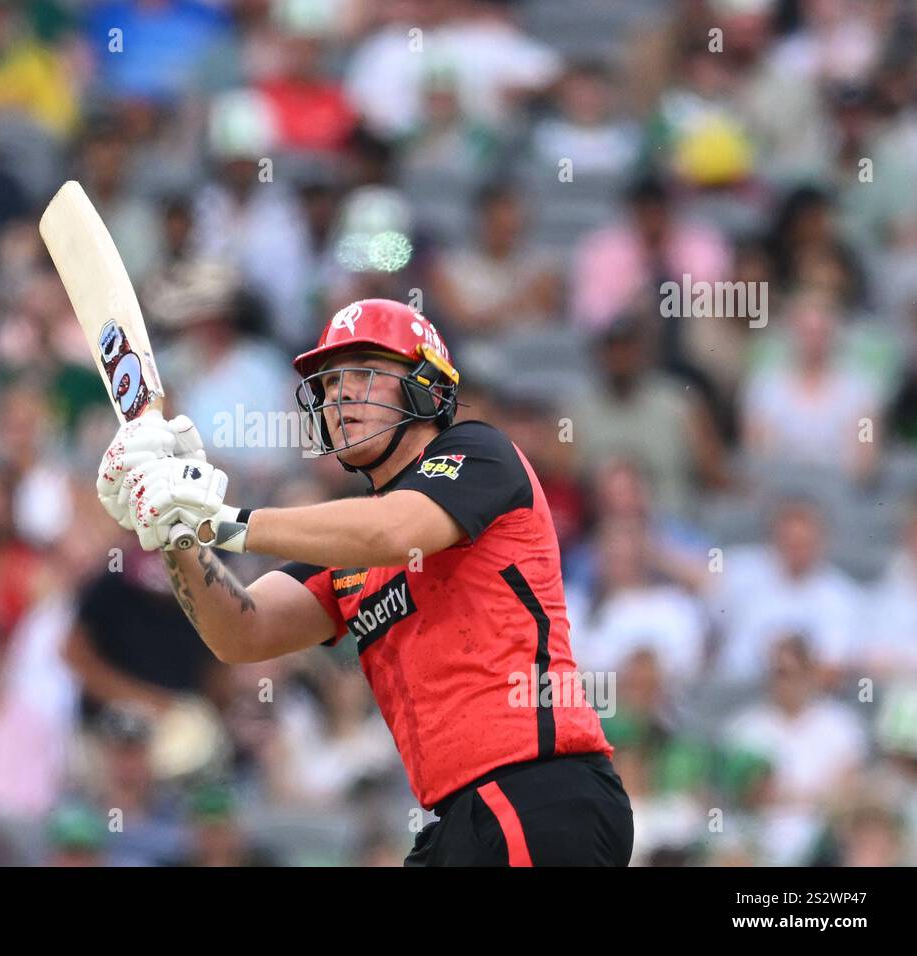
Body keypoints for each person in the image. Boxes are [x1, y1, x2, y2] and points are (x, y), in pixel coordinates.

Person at [95, 298, 633, 866]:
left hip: (539, 793)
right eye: (329, 384)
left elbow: (397, 530)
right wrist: (174, 531)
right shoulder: (349, 542)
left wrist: (222, 522)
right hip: (468, 814)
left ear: (426, 387)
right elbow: (242, 633)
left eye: (365, 373)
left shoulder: (479, 452)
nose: (340, 396)